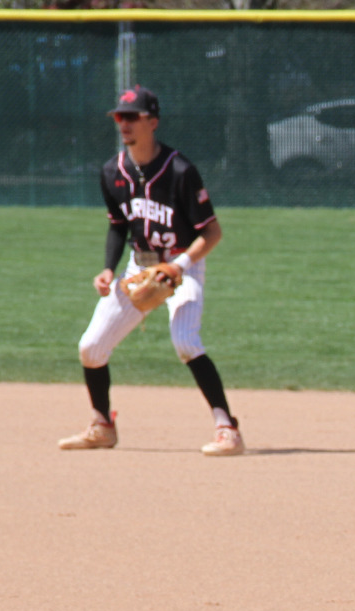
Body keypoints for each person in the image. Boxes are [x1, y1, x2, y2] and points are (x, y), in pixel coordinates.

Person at [59, 86, 244, 456]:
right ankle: (102, 425)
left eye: (132, 117)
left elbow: (212, 232)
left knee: (186, 342)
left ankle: (228, 429)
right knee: (91, 348)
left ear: (153, 122)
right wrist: (108, 269)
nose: (123, 123)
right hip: (139, 266)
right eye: (119, 117)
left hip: (182, 266)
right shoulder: (112, 172)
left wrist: (180, 265)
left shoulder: (180, 171)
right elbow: (118, 226)